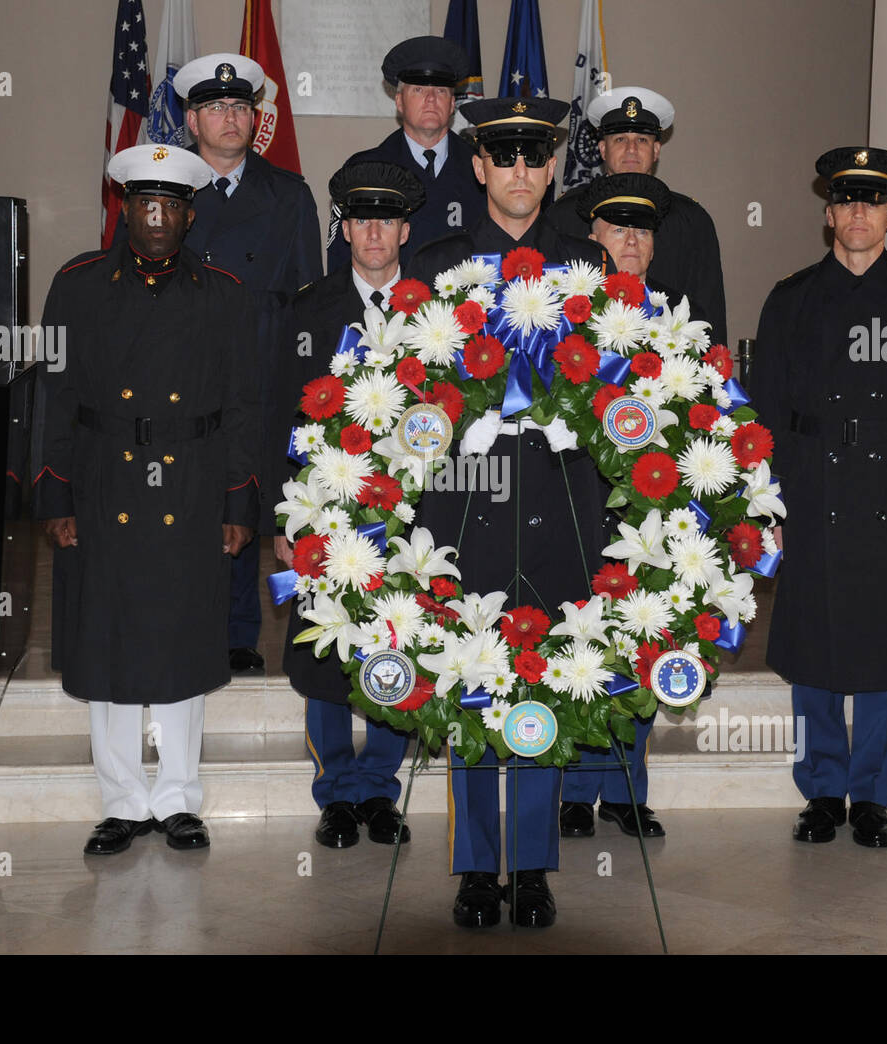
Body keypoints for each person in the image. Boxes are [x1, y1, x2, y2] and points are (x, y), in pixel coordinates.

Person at [407, 96, 611, 930]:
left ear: (552, 167)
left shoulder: (586, 266)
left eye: (536, 157)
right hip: (466, 506)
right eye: (506, 157)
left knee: (544, 681)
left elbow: (621, 384)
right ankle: (473, 868)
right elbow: (411, 394)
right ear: (481, 167)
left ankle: (528, 866)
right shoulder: (441, 265)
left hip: (562, 502)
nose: (522, 171)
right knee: (472, 679)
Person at [33, 143, 263, 855]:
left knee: (179, 641)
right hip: (104, 481)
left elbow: (242, 406)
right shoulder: (77, 285)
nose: (157, 216)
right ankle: (122, 801)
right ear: (124, 209)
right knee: (108, 646)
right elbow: (54, 397)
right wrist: (55, 495)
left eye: (170, 205)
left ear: (190, 215)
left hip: (191, 484)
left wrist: (237, 504)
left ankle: (177, 799)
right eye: (144, 203)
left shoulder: (223, 292)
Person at [751, 146, 887, 848]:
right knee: (814, 643)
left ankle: (873, 796)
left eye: (871, 203)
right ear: (829, 215)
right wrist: (769, 505)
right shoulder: (792, 298)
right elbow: (765, 413)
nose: (858, 214)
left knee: (883, 646)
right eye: (847, 201)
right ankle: (821, 791)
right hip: (810, 487)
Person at [270, 161, 426, 849]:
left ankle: (380, 790)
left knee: (396, 640)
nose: (374, 232)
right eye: (361, 219)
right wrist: (285, 515)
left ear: (405, 229)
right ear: (345, 228)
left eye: (386, 219)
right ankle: (336, 792)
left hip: (413, 510)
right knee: (327, 650)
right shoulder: (308, 310)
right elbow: (281, 415)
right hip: (325, 509)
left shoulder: (436, 314)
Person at [173, 52, 323, 674]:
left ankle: (251, 636)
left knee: (261, 503)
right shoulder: (165, 192)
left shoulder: (287, 195)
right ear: (191, 119)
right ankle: (198, 628)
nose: (230, 118)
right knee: (198, 502)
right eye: (215, 108)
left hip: (266, 375)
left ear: (255, 118)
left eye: (240, 107)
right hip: (187, 378)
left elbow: (311, 299)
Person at [557, 171, 694, 842]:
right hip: (578, 501)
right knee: (582, 643)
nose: (632, 240)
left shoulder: (677, 324)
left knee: (643, 639)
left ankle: (626, 789)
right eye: (618, 227)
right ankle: (576, 791)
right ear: (593, 237)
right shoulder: (566, 317)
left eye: (642, 230)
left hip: (653, 513)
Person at [547, 87, 728, 345]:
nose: (631, 149)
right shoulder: (566, 215)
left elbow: (709, 316)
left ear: (656, 150)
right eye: (620, 139)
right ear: (602, 149)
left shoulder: (691, 220)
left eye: (642, 140)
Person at [326, 36, 484, 271]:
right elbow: (340, 262)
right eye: (419, 90)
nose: (430, 99)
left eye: (441, 91)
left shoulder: (482, 168)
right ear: (399, 102)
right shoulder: (365, 170)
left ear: (452, 104)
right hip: (388, 306)